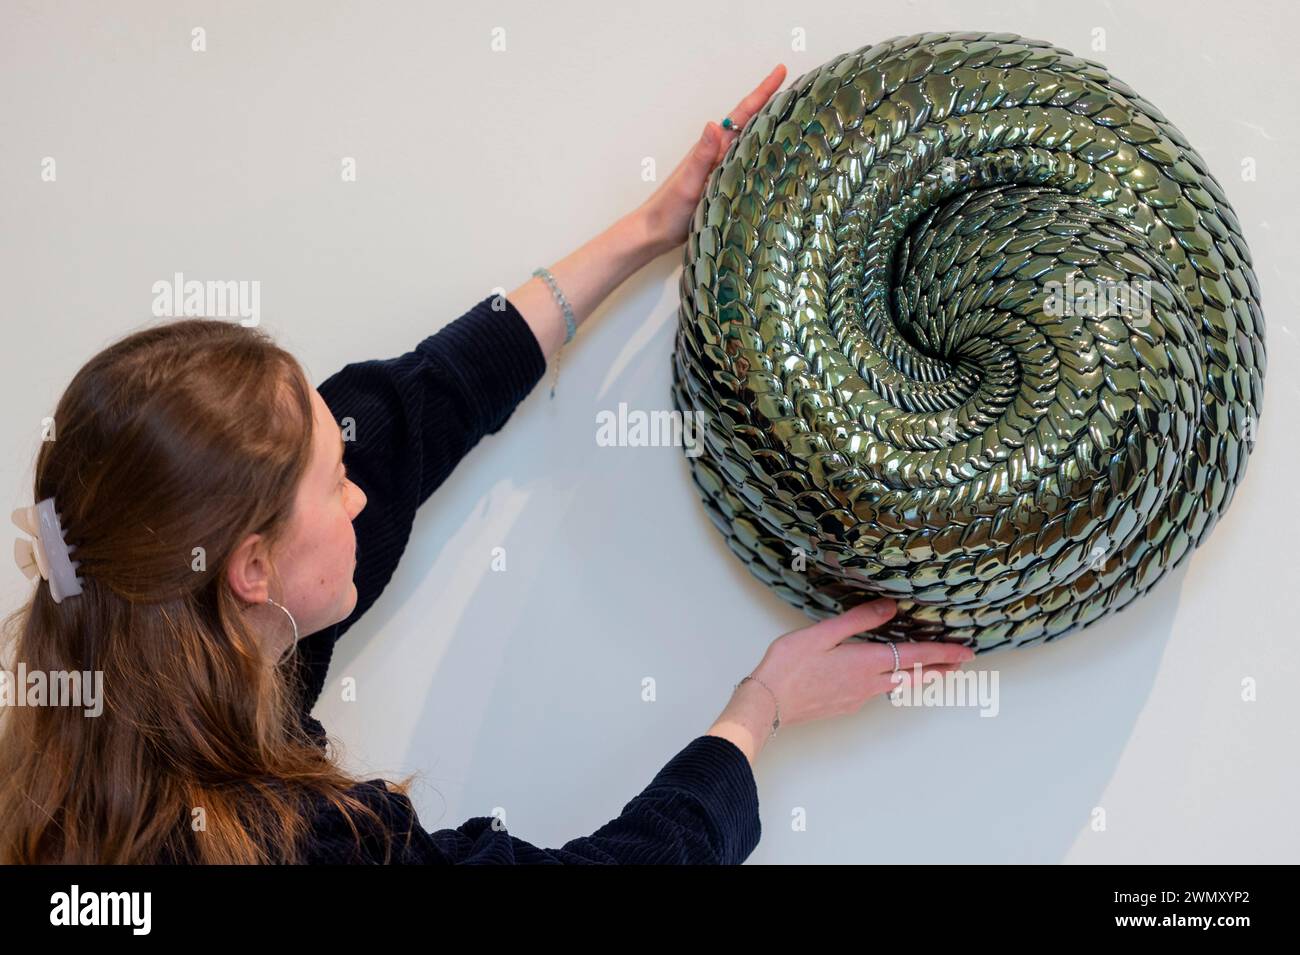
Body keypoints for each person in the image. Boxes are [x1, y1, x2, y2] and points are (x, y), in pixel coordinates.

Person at [0, 64, 973, 864]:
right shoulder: (304, 850)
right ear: (250, 567)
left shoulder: (113, 725)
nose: (360, 483)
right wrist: (760, 710)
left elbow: (420, 402)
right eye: (330, 478)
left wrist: (649, 230)